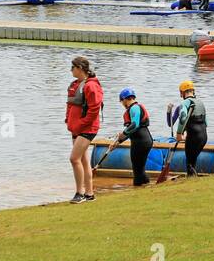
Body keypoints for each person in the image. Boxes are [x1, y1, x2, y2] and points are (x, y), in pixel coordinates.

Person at [65, 56, 103, 203]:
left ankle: (79, 192)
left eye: (72, 67)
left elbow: (94, 110)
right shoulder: (75, 84)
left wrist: (81, 123)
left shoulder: (91, 86)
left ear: (80, 68)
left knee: (74, 159)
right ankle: (89, 193)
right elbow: (70, 104)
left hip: (87, 129)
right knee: (83, 160)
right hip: (75, 128)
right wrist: (68, 120)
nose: (70, 70)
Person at [112, 88, 154, 186]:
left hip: (141, 142)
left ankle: (138, 187)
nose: (122, 104)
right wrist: (118, 142)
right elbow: (131, 131)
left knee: (137, 169)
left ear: (124, 99)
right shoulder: (134, 108)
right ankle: (146, 185)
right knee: (139, 168)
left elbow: (134, 125)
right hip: (143, 140)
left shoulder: (134, 108)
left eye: (121, 101)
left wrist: (123, 133)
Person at [173, 80, 209, 175]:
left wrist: (179, 133)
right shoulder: (200, 103)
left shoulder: (185, 103)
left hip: (194, 136)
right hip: (204, 136)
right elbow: (206, 122)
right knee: (193, 160)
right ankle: (193, 179)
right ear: (193, 91)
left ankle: (192, 178)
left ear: (182, 93)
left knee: (189, 163)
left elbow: (183, 116)